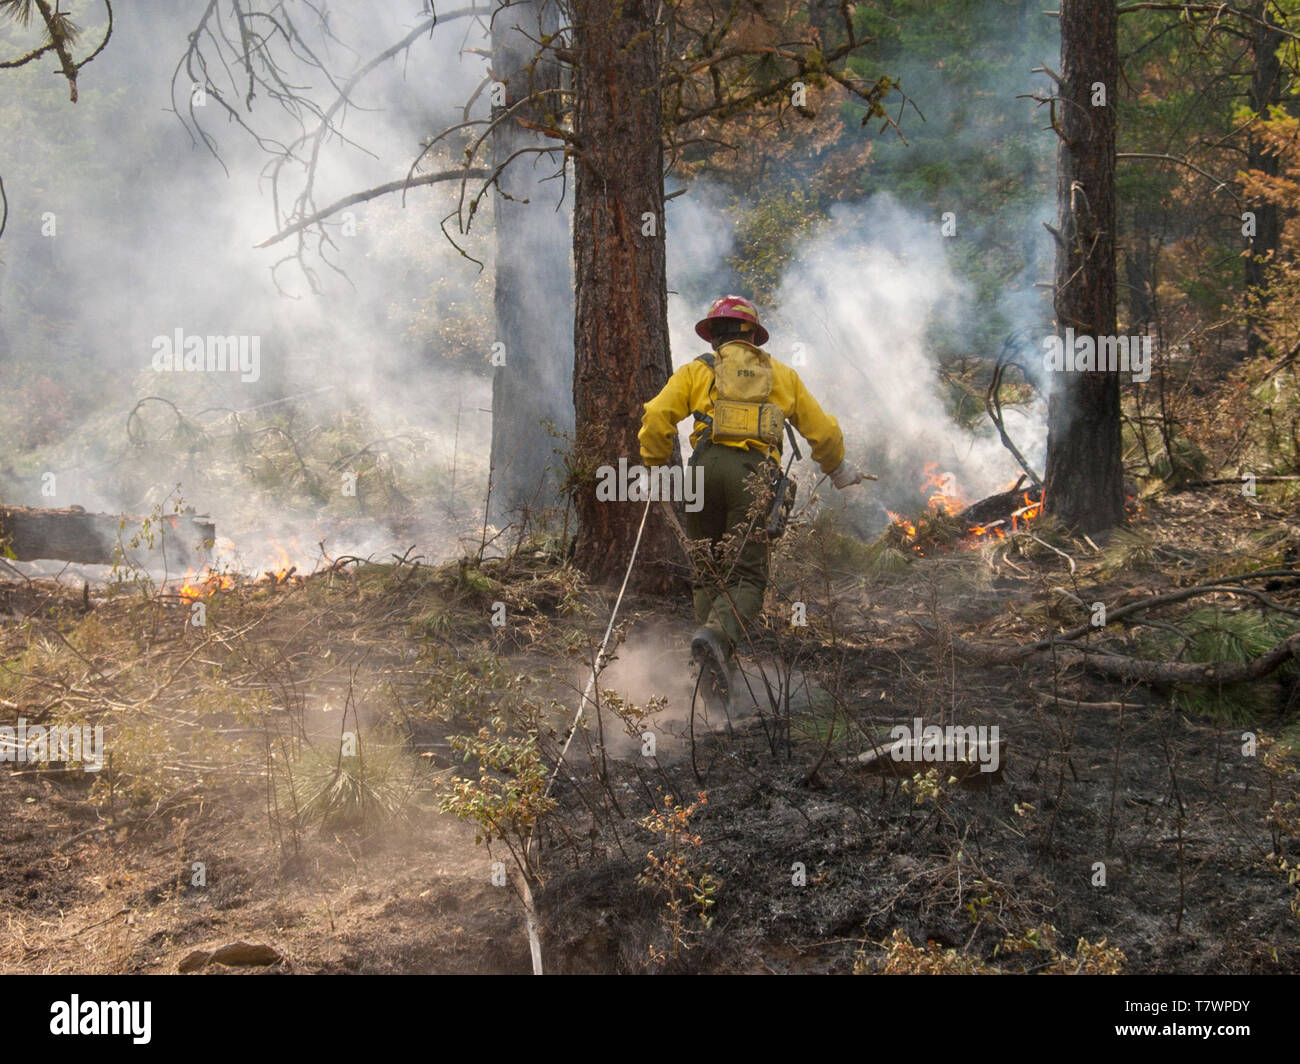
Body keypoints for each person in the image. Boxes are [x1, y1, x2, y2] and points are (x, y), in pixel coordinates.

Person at [637, 295, 863, 705]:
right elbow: (823, 432)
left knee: (708, 572)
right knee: (747, 578)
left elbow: (656, 415)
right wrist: (839, 469)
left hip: (702, 476)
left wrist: (653, 465)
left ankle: (717, 680)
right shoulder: (781, 375)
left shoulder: (696, 372)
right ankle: (716, 639)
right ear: (753, 337)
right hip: (753, 478)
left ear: (714, 338)